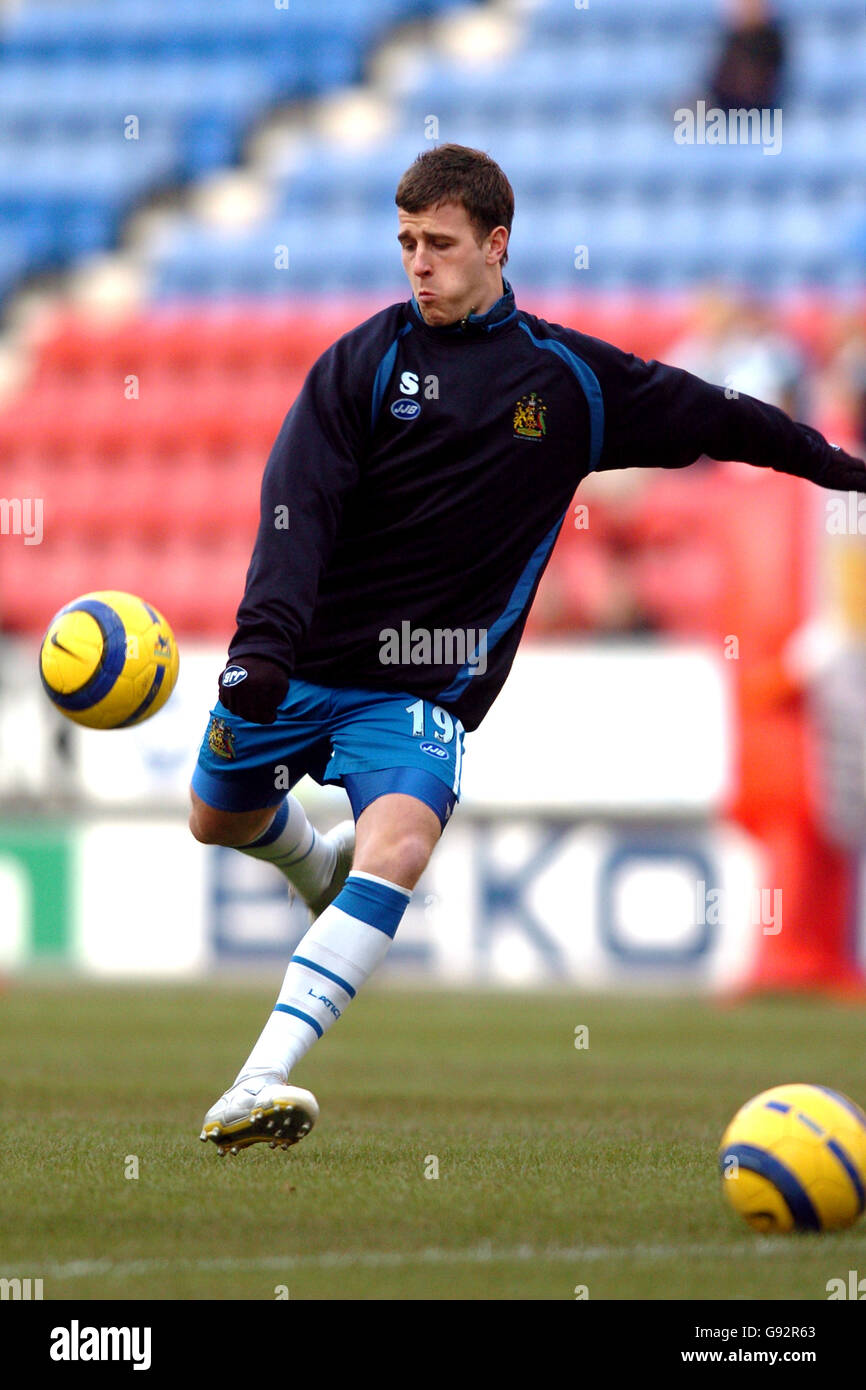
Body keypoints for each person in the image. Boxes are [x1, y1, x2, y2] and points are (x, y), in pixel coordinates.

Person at [188, 143, 866, 1157]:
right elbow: (298, 510)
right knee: (215, 816)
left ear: (495, 244)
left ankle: (259, 1077)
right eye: (406, 243)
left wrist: (842, 470)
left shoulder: (567, 383)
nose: (418, 263)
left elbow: (720, 419)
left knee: (402, 847)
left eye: (440, 244)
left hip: (421, 686)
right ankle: (309, 858)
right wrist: (261, 649)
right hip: (299, 663)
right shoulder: (361, 365)